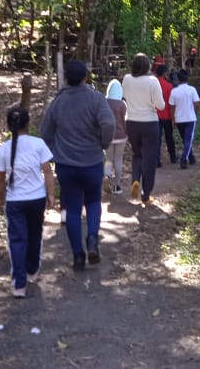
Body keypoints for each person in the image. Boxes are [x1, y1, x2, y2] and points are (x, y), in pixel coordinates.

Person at [40, 60, 115, 271]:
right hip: (91, 162)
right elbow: (108, 123)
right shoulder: (96, 98)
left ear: (66, 79)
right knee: (92, 202)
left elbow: (45, 132)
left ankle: (78, 256)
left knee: (72, 208)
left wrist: (54, 150)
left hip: (66, 164)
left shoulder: (58, 102)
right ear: (85, 77)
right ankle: (92, 238)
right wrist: (103, 142)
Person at [0, 105, 55, 298]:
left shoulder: (3, 150)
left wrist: (0, 199)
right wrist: (51, 194)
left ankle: (19, 284)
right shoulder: (38, 144)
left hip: (15, 202)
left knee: (17, 240)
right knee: (35, 234)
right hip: (37, 198)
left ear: (8, 125)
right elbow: (47, 171)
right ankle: (32, 269)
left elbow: (0, 179)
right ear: (28, 123)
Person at [122, 53, 164, 206]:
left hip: (132, 121)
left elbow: (124, 97)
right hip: (150, 123)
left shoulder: (126, 79)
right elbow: (161, 105)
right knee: (150, 158)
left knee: (137, 154)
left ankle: (135, 180)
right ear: (148, 66)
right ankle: (146, 194)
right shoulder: (152, 81)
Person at [170, 70, 200, 168]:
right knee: (188, 139)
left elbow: (172, 107)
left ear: (178, 80)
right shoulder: (192, 89)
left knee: (185, 139)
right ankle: (184, 159)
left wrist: (173, 119)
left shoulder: (174, 91)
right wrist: (195, 113)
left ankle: (191, 157)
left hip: (179, 119)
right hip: (190, 118)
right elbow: (196, 104)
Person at [105, 78, 128, 195]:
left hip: (108, 135)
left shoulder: (104, 102)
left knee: (108, 159)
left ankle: (107, 178)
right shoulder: (122, 104)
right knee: (118, 160)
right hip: (120, 135)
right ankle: (117, 186)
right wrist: (127, 132)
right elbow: (125, 121)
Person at [154, 63, 177, 166]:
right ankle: (173, 157)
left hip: (155, 116)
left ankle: (157, 160)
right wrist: (174, 118)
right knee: (169, 137)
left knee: (157, 139)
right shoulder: (169, 86)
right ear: (164, 73)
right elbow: (172, 103)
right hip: (167, 115)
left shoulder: (153, 86)